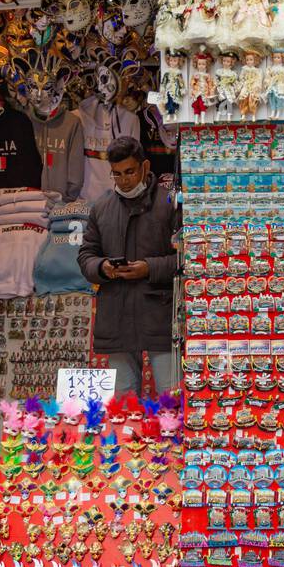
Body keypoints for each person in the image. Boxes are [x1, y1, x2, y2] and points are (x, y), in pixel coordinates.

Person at [77, 136, 179, 395]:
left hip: (160, 316)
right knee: (123, 406)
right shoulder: (102, 207)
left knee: (171, 399)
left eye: (130, 172)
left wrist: (150, 268)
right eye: (117, 174)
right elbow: (86, 255)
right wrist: (103, 268)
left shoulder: (169, 203)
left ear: (145, 167)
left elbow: (187, 258)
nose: (124, 180)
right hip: (117, 316)